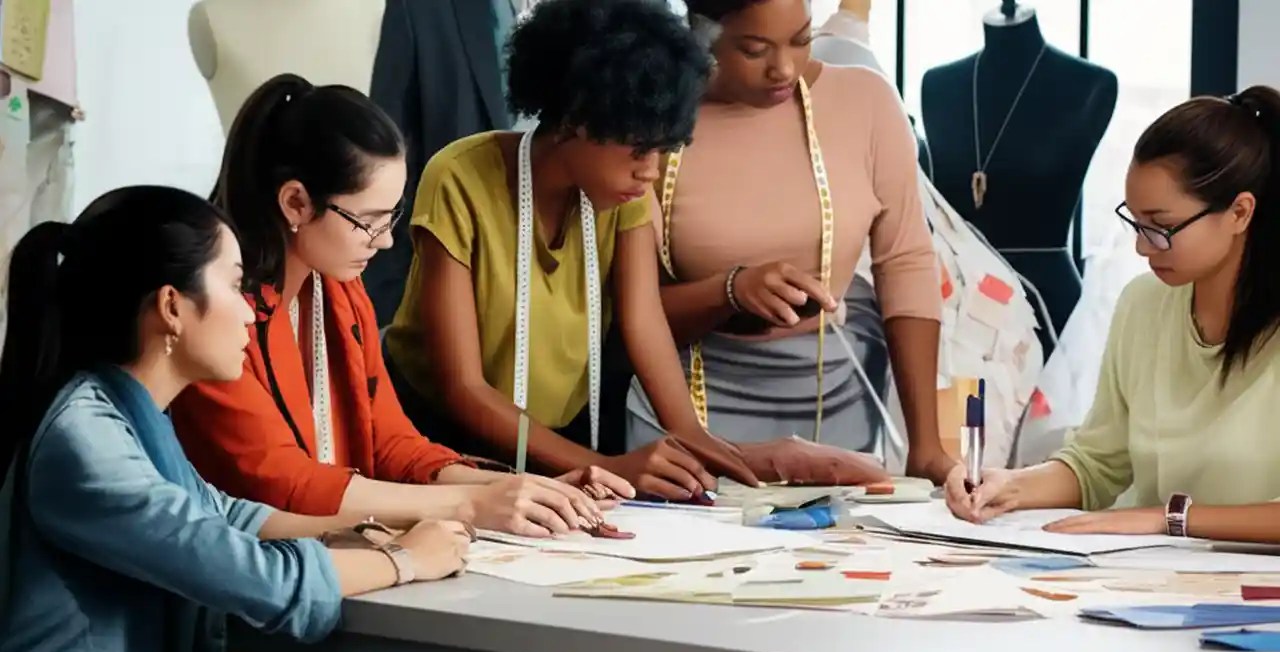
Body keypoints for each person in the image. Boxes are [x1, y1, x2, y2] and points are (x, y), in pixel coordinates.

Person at [0, 186, 470, 652]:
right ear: (171, 307)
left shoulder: (128, 411)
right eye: (234, 285)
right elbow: (254, 576)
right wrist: (405, 561)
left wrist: (382, 525)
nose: (250, 311)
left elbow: (225, 516)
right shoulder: (86, 440)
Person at [170, 73, 628, 539]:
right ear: (296, 203)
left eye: (392, 217)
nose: (386, 240)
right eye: (368, 222)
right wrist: (471, 502)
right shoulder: (216, 318)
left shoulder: (338, 293)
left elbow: (390, 443)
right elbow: (281, 481)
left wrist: (521, 487)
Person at [385, 0, 799, 502]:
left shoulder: (622, 196)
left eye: (663, 150)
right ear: (578, 118)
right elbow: (464, 389)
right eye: (638, 149)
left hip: (557, 434)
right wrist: (607, 467)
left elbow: (643, 321)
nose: (650, 171)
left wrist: (696, 438)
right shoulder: (459, 178)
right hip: (438, 433)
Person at [625, 0, 959, 486]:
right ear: (700, 33)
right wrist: (730, 292)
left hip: (836, 395)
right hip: (682, 403)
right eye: (755, 49)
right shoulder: (650, 120)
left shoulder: (866, 103)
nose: (783, 68)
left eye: (802, 39)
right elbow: (627, 315)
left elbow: (905, 262)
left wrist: (926, 446)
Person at [946, 87, 1280, 545]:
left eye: (1161, 228)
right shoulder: (1143, 305)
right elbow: (1096, 463)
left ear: (1240, 212)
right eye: (1136, 223)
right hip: (1152, 577)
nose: (1143, 247)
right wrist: (1008, 485)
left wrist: (1169, 518)